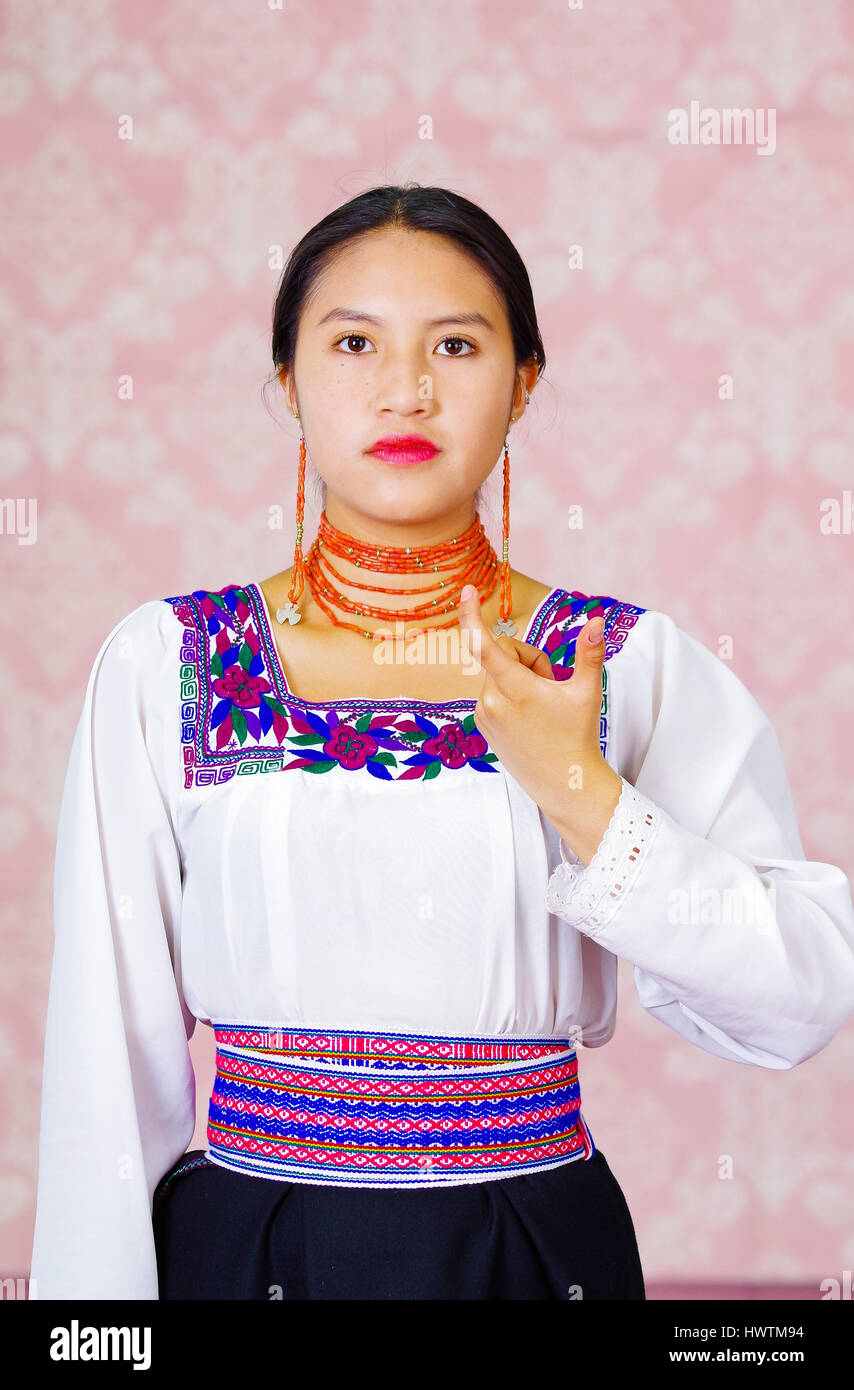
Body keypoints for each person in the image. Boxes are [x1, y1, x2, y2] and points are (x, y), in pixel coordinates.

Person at [30, 184, 854, 1302]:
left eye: (456, 345)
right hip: (250, 1245)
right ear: (288, 383)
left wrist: (579, 788)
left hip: (533, 1243)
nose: (405, 388)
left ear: (522, 384)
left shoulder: (616, 663)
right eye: (353, 342)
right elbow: (104, 1066)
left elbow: (797, 996)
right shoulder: (168, 661)